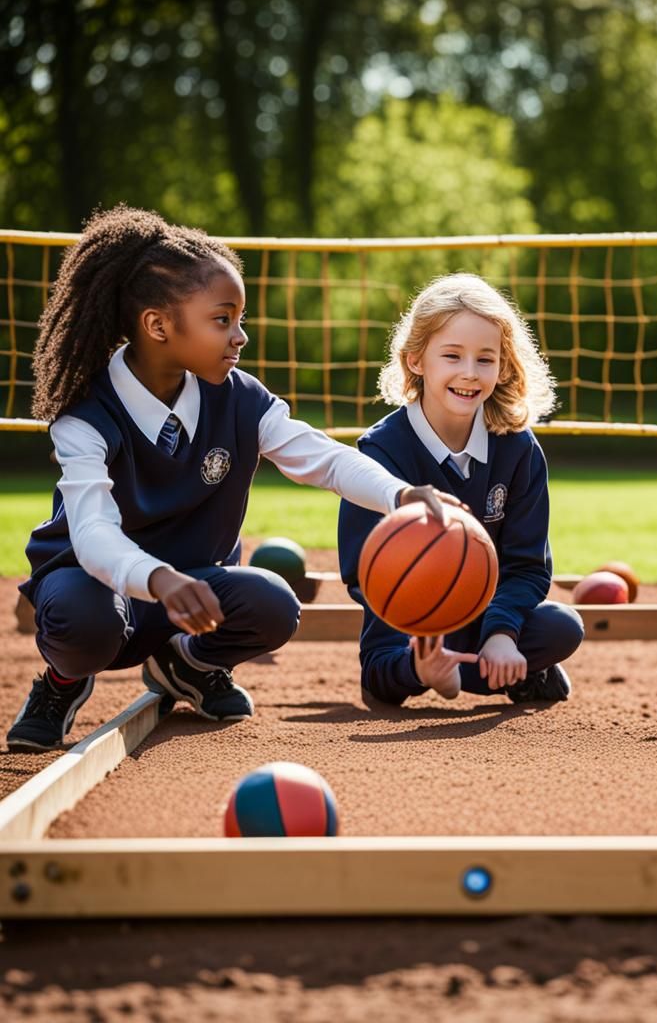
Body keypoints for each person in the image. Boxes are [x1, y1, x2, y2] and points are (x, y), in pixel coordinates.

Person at [8, 206, 456, 752]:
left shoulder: (240, 398)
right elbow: (94, 535)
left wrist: (400, 493)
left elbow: (323, 457)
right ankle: (62, 683)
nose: (240, 336)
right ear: (158, 325)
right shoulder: (86, 415)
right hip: (98, 586)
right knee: (85, 619)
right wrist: (159, 580)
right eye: (223, 319)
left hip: (194, 591)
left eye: (239, 319)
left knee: (274, 604)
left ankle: (187, 665)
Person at [339, 273, 584, 706]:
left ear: (503, 366)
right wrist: (422, 617)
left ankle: (495, 664)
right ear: (416, 360)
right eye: (452, 356)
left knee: (562, 627)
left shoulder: (518, 448)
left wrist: (501, 633)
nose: (469, 374)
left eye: (485, 360)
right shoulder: (381, 451)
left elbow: (528, 566)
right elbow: (360, 570)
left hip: (487, 612)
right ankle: (433, 670)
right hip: (409, 612)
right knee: (384, 667)